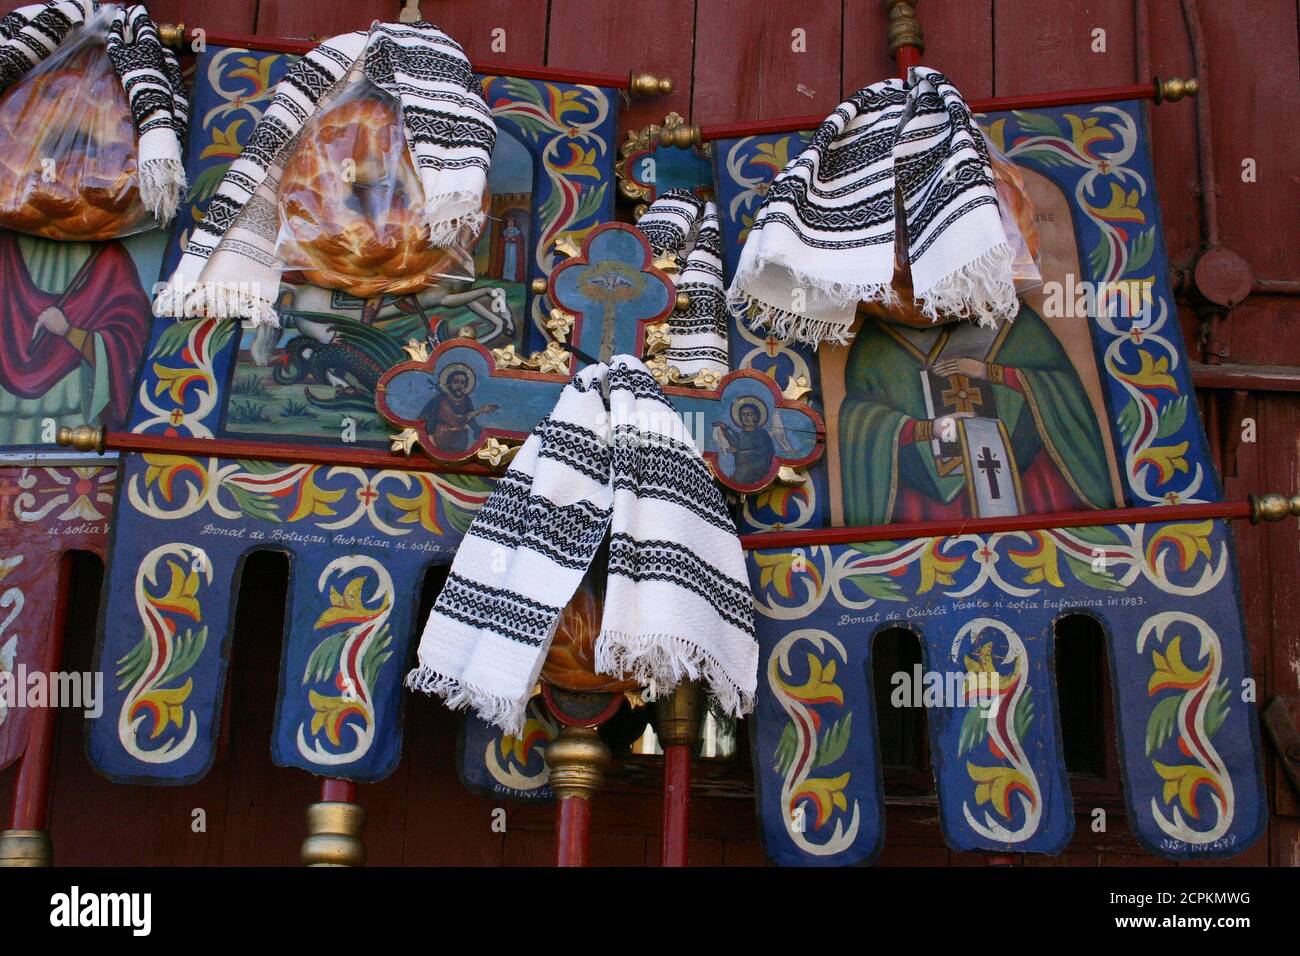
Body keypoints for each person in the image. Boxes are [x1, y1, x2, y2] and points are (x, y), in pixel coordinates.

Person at [0, 232, 149, 446]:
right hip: (9, 416)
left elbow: (126, 346)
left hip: (74, 415)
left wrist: (68, 331)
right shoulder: (7, 251)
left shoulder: (109, 261)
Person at [420, 365, 498, 452]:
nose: (459, 386)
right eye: (456, 382)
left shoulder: (466, 400)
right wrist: (430, 439)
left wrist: (478, 429)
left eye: (462, 383)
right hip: (441, 439)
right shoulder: (439, 399)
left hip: (460, 441)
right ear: (449, 384)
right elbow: (428, 419)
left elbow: (471, 421)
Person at [715, 398, 776, 486]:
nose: (746, 417)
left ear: (756, 416)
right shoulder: (744, 433)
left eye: (749, 414)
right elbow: (737, 442)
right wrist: (725, 429)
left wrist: (738, 452)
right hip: (740, 471)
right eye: (743, 415)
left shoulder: (761, 434)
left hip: (754, 472)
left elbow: (764, 453)